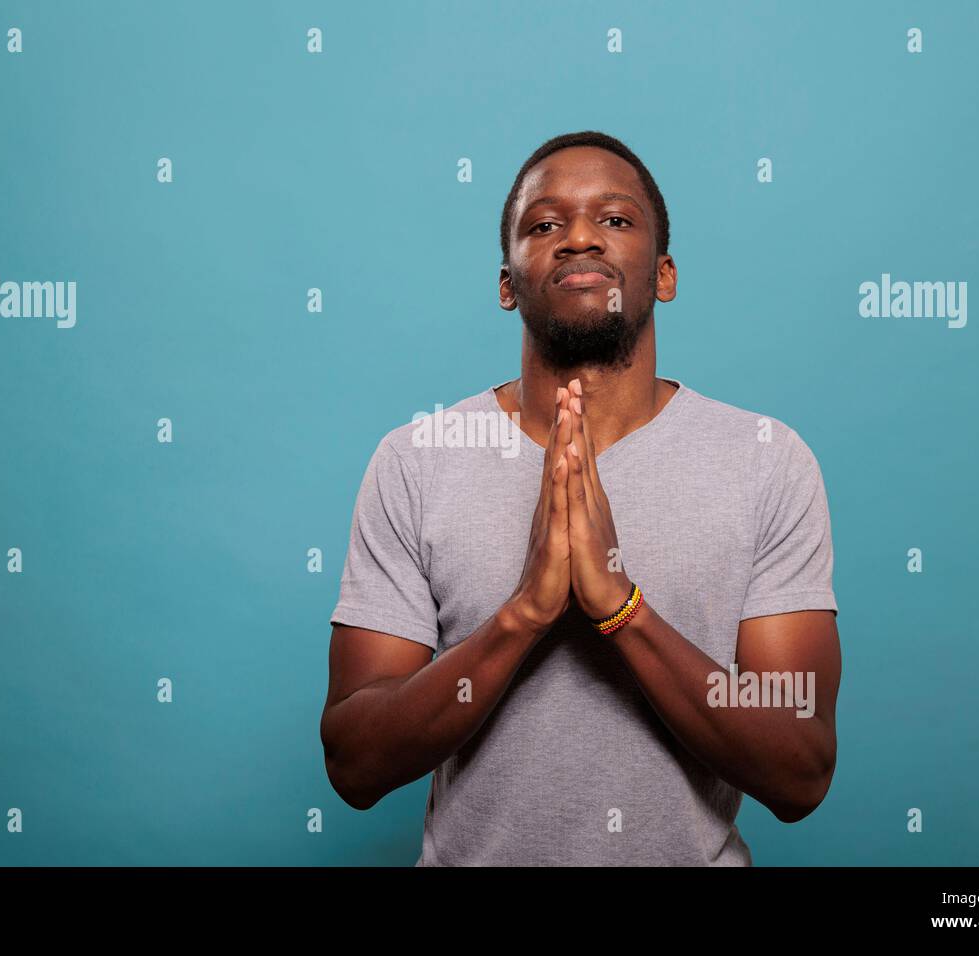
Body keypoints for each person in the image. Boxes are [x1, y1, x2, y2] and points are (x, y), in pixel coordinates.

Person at [319, 130, 841, 866]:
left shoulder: (767, 462)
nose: (580, 238)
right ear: (508, 283)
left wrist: (619, 609)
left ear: (663, 275)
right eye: (545, 224)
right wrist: (524, 615)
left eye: (616, 219)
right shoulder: (416, 461)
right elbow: (355, 765)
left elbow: (802, 768)